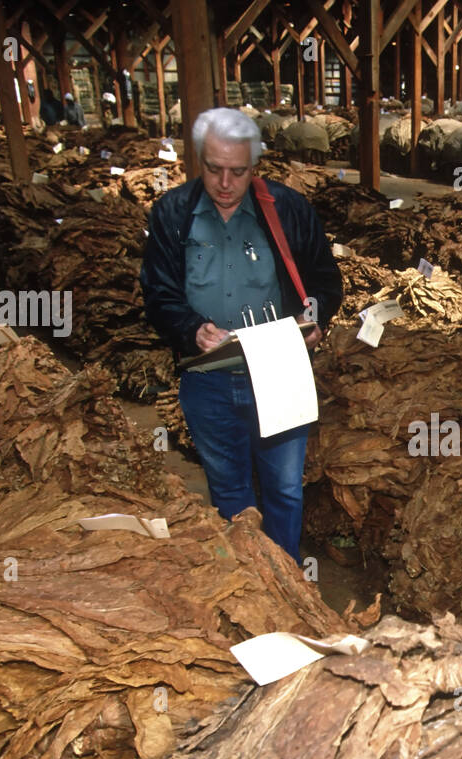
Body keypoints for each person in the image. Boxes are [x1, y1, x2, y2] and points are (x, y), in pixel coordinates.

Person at [140, 108, 343, 563]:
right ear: (198, 161)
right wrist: (191, 329)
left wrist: (315, 317)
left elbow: (325, 282)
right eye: (214, 169)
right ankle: (247, 582)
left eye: (239, 171)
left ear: (256, 165)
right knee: (228, 490)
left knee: (285, 490)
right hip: (208, 378)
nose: (226, 183)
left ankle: (287, 580)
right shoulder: (173, 212)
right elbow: (157, 293)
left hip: (280, 373)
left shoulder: (288, 210)